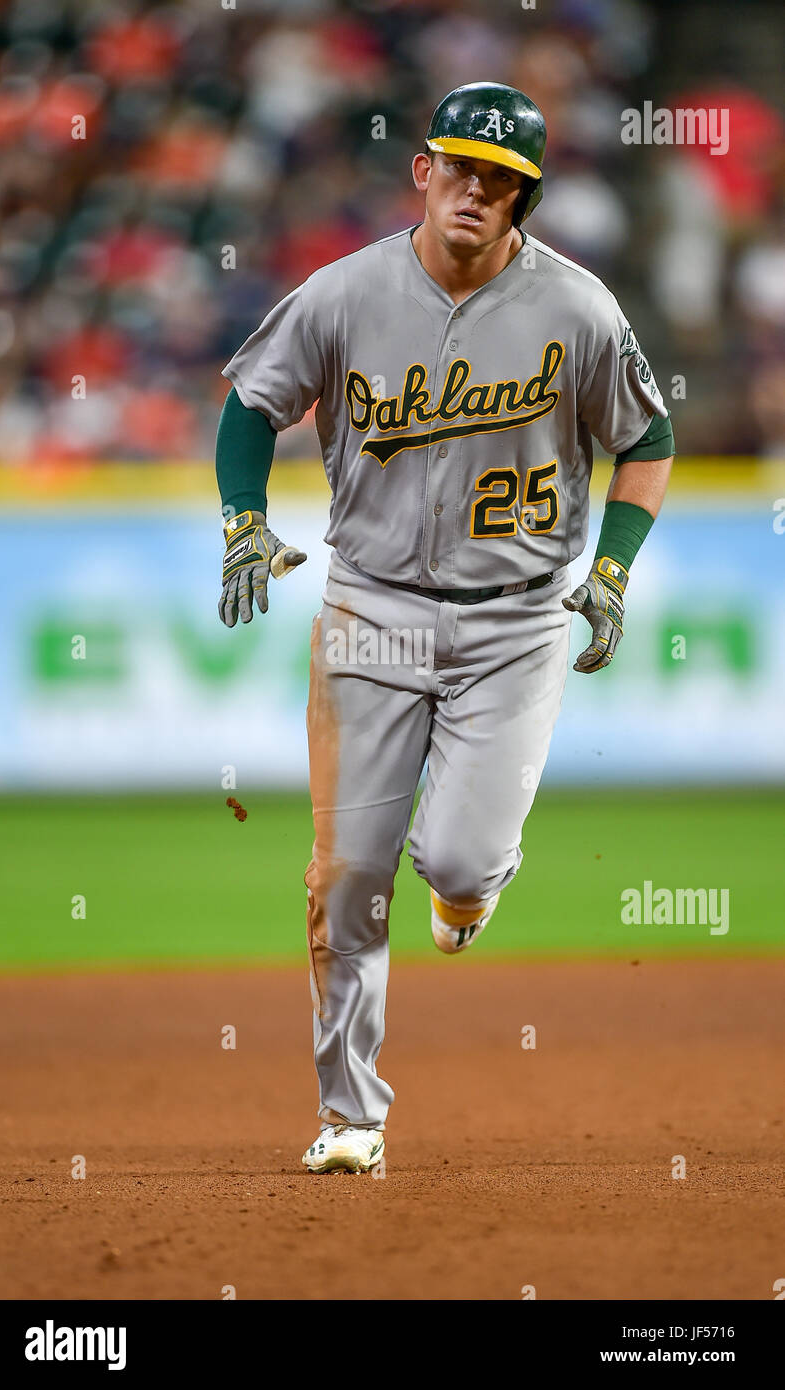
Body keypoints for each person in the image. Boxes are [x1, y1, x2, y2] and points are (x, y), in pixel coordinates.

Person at [215, 83, 674, 1175]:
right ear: (422, 171)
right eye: (460, 166)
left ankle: (469, 890)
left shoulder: (578, 307)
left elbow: (647, 438)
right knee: (348, 876)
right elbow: (248, 406)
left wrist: (610, 570)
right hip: (371, 607)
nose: (477, 189)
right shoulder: (342, 293)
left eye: (501, 178)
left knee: (457, 861)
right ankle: (349, 1115)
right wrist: (244, 519)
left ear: (526, 197)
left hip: (515, 622)